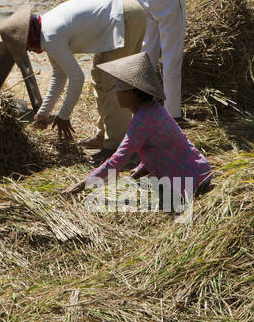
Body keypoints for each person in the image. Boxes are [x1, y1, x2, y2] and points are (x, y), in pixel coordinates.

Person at [64, 53, 213, 209]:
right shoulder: (154, 110)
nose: (116, 94)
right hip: (200, 171)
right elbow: (162, 145)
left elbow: (117, 161)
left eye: (118, 90)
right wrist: (143, 168)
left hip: (190, 182)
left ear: (130, 94)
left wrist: (83, 184)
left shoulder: (142, 120)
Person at [8, 0, 147, 160]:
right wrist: (44, 112)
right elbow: (59, 74)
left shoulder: (50, 36)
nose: (29, 51)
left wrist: (64, 115)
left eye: (26, 47)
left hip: (125, 17)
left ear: (27, 38)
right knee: (99, 77)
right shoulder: (45, 28)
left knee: (113, 85)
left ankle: (115, 147)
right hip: (117, 14)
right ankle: (102, 136)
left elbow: (77, 77)